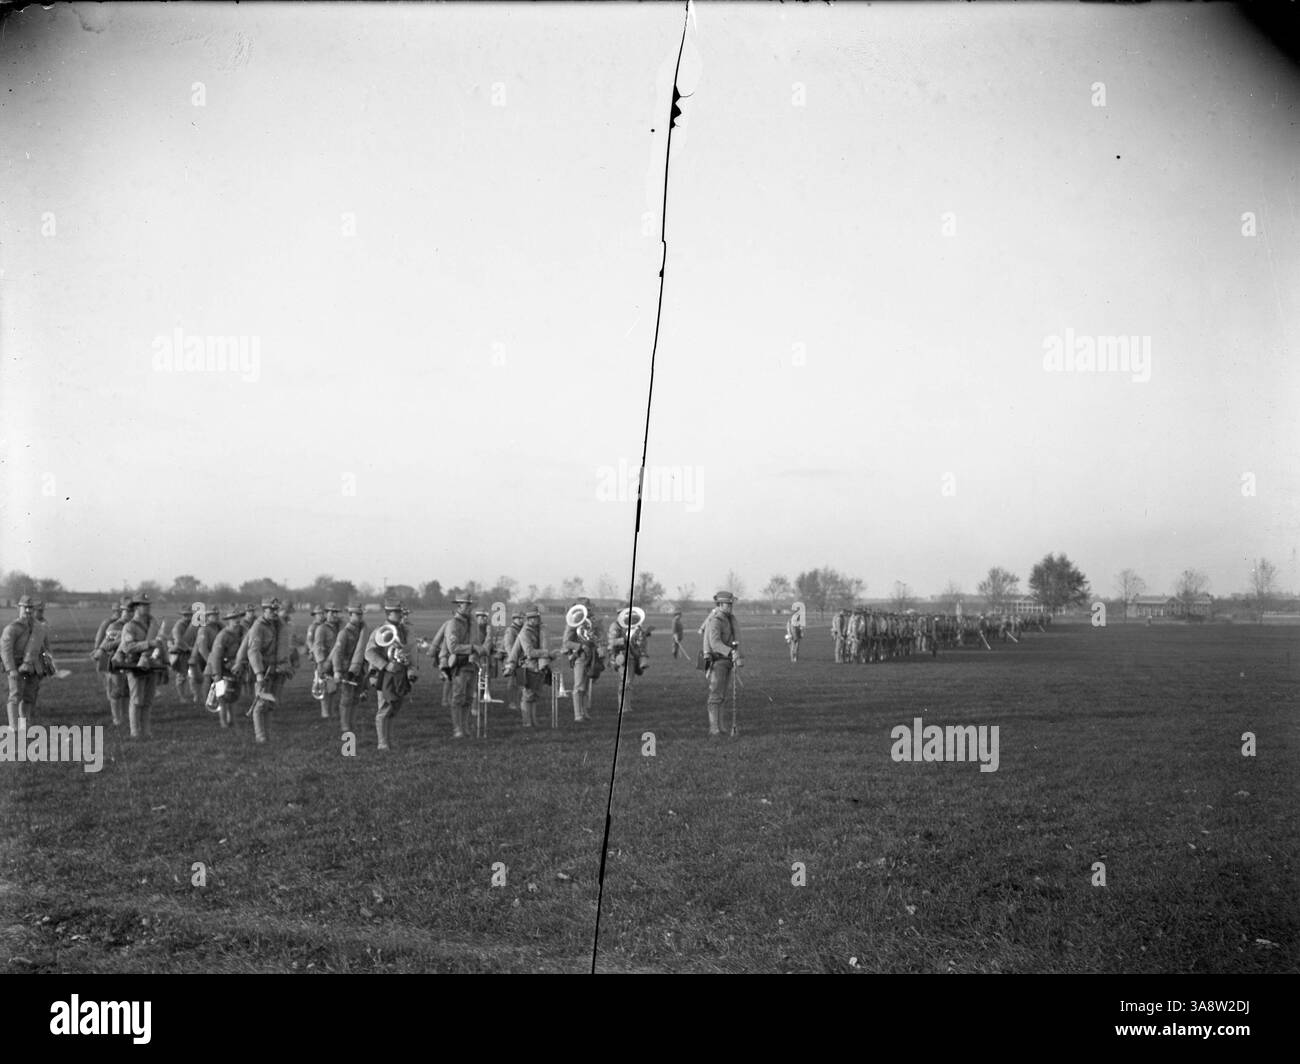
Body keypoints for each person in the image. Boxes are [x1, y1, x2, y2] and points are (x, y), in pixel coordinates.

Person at [113, 594, 168, 740]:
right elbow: (127, 647)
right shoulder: (130, 626)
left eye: (148, 604)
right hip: (135, 665)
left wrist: (164, 658)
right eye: (144, 605)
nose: (147, 607)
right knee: (137, 700)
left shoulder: (153, 624)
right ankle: (135, 731)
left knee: (148, 700)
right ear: (136, 607)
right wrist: (148, 644)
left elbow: (161, 641)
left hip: (152, 664)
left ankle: (146, 730)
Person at [363, 599, 414, 750]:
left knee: (394, 708)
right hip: (384, 675)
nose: (400, 615)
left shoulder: (404, 631)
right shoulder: (381, 630)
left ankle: (388, 740)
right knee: (384, 708)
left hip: (399, 674)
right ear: (388, 613)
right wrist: (385, 665)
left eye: (400, 612)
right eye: (397, 612)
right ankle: (382, 742)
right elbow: (369, 652)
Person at [441, 594, 485, 740]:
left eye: (470, 605)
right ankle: (457, 728)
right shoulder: (453, 624)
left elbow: (477, 640)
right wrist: (472, 648)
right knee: (458, 698)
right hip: (460, 665)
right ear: (459, 605)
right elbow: (453, 647)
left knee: (468, 698)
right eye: (466, 605)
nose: (469, 607)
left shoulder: (472, 622)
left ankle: (465, 727)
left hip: (472, 664)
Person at [702, 590, 742, 737]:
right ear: (720, 604)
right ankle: (714, 728)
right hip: (717, 661)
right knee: (715, 696)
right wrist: (731, 652)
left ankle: (721, 726)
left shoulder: (730, 619)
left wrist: (738, 656)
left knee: (723, 696)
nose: (731, 607)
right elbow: (715, 643)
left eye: (731, 604)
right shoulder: (715, 620)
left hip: (727, 661)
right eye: (728, 604)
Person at [246, 598, 285, 744]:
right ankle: (260, 735)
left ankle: (267, 734)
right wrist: (258, 673)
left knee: (270, 703)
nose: (274, 612)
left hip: (276, 669)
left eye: (276, 609)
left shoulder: (276, 625)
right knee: (260, 704)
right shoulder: (258, 627)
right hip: (263, 671)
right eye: (271, 609)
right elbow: (253, 651)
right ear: (264, 610)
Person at [1, 595, 43, 731]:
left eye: (31, 608)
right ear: (19, 608)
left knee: (29, 696)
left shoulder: (37, 627)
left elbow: (43, 648)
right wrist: (10, 669)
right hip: (16, 666)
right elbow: (5, 650)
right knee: (15, 696)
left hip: (33, 667)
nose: (28, 611)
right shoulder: (12, 628)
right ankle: (13, 726)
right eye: (25, 608)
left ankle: (25, 725)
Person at [330, 603, 370, 737]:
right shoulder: (344, 633)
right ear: (350, 615)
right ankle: (345, 724)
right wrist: (337, 670)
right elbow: (338, 653)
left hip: (360, 670)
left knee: (356, 698)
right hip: (347, 670)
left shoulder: (364, 632)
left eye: (360, 614)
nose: (359, 617)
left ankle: (352, 722)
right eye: (356, 614)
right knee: (346, 698)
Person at [91, 597, 132, 726]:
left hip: (130, 661)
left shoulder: (133, 625)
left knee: (126, 690)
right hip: (115, 661)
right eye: (126, 611)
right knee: (116, 690)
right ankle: (116, 718)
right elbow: (106, 645)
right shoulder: (114, 625)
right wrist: (122, 641)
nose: (129, 614)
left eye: (131, 611)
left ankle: (125, 716)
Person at [205, 608, 247, 729]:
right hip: (223, 669)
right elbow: (216, 657)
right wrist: (217, 676)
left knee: (234, 696)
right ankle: (223, 722)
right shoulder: (222, 636)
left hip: (237, 669)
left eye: (239, 617)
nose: (237, 620)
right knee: (222, 697)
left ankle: (232, 720)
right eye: (234, 618)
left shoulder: (245, 633)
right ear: (229, 621)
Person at [506, 607, 548, 728]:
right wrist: (546, 653)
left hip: (537, 667)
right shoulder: (525, 633)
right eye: (534, 618)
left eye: (537, 617)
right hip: (528, 666)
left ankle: (533, 720)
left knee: (535, 696)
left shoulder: (538, 630)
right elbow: (529, 652)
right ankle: (526, 722)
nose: (537, 620)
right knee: (527, 695)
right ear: (529, 619)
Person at [563, 597, 601, 722]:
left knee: (585, 686)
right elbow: (566, 642)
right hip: (579, 656)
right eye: (586, 608)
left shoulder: (591, 621)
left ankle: (584, 712)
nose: (589, 610)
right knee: (578, 686)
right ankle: (577, 714)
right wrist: (580, 646)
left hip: (591, 655)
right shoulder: (573, 622)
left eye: (589, 608)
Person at [606, 607, 647, 715]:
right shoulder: (615, 626)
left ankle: (627, 707)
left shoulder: (634, 626)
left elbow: (639, 643)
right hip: (622, 657)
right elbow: (611, 642)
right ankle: (622, 707)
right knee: (625, 683)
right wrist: (624, 640)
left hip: (632, 657)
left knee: (629, 683)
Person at [188, 604, 224, 709]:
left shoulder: (220, 627)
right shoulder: (204, 629)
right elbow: (202, 648)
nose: (215, 617)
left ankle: (219, 700)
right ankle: (207, 701)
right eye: (212, 615)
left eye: (217, 615)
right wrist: (212, 662)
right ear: (207, 616)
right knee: (207, 679)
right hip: (203, 658)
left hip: (216, 656)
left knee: (219, 678)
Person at [312, 603, 343, 721]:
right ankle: (325, 713)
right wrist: (321, 663)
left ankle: (332, 712)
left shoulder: (338, 627)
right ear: (326, 614)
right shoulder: (322, 628)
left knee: (334, 688)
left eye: (336, 612)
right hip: (325, 662)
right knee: (324, 688)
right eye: (331, 612)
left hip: (336, 662)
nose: (334, 615)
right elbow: (318, 646)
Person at [500, 611, 524, 710]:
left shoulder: (521, 629)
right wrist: (513, 660)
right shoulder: (511, 630)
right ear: (514, 619)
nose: (521, 620)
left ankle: (519, 702)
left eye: (522, 618)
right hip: (512, 659)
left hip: (521, 659)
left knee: (520, 682)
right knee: (512, 682)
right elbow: (508, 646)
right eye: (519, 618)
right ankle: (512, 702)